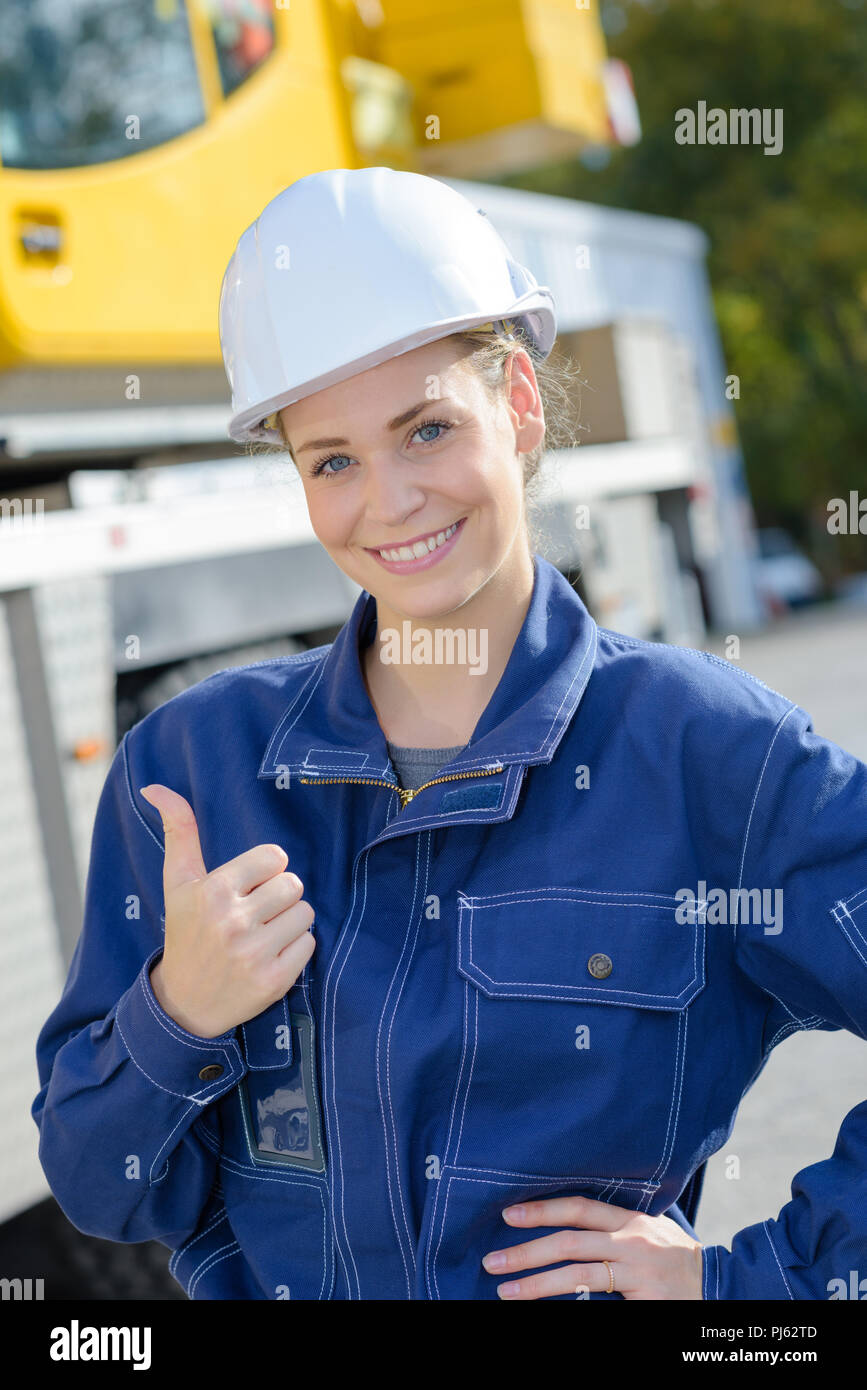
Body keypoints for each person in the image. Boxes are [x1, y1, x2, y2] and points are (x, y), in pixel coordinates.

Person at [33, 167, 867, 1301]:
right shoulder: (193, 773)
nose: (387, 500)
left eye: (425, 429)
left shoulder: (704, 755)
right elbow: (101, 1186)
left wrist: (749, 1288)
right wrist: (181, 1011)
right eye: (331, 459)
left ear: (519, 403)